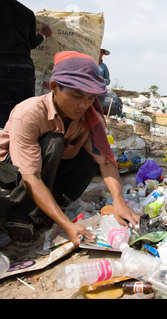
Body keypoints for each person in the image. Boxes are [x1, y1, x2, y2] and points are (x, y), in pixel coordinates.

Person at [0, 51, 140, 247]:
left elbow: (106, 162)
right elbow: (30, 176)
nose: (84, 105)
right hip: (13, 171)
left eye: (91, 98)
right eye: (77, 96)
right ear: (55, 88)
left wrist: (119, 202)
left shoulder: (90, 118)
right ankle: (20, 214)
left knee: (96, 154)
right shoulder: (29, 113)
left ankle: (54, 198)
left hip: (51, 169)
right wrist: (66, 225)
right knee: (54, 142)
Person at [0, 0, 52, 128]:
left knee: (3, 119)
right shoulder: (27, 13)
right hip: (25, 71)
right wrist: (43, 34)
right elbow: (32, 42)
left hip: (3, 69)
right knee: (22, 116)